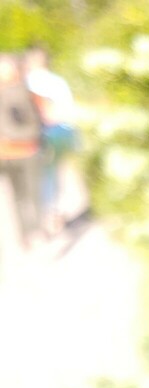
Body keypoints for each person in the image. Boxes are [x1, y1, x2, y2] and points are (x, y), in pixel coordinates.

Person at [24, 44, 77, 233]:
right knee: (57, 173)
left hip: (41, 136)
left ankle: (48, 215)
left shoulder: (27, 83)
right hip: (62, 132)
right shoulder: (58, 81)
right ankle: (57, 212)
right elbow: (69, 110)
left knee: (44, 177)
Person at [0, 52, 43, 248]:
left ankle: (36, 231)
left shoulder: (24, 93)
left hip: (26, 151)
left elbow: (35, 126)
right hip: (6, 155)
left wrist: (11, 135)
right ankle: (25, 235)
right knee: (17, 197)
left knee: (32, 195)